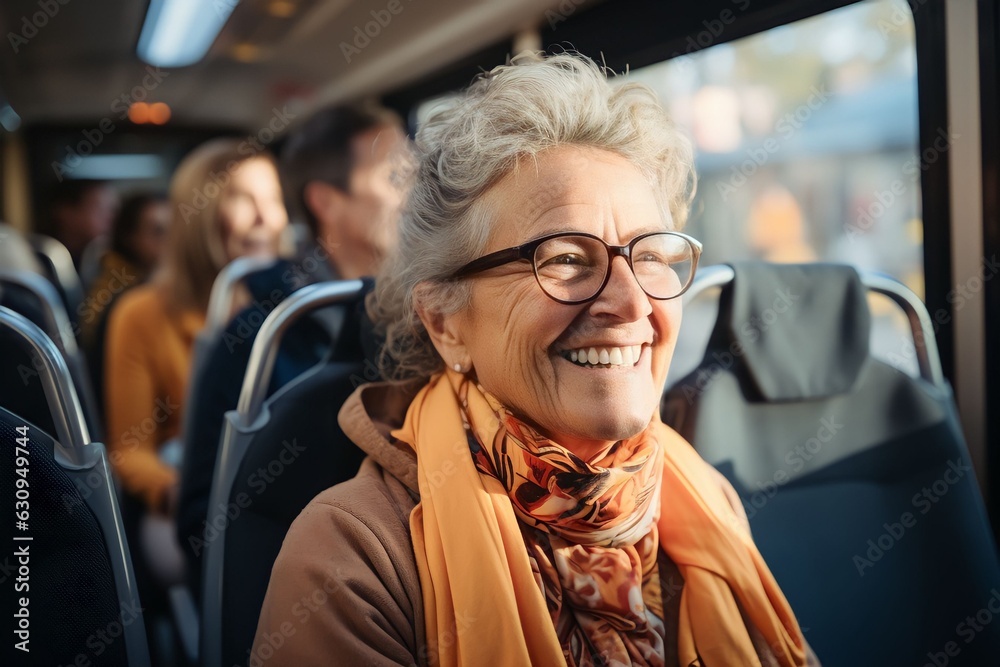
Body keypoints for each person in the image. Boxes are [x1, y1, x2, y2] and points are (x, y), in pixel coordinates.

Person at [253, 54, 819, 666]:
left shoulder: (703, 496)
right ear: (445, 323)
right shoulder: (355, 558)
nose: (633, 302)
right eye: (566, 259)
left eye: (651, 256)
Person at [176, 103, 407, 595]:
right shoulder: (262, 334)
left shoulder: (432, 316)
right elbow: (206, 514)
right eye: (393, 176)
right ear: (326, 201)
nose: (413, 193)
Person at [104, 139, 287, 521]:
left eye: (273, 199)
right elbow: (131, 451)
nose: (265, 218)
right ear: (200, 214)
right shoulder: (140, 314)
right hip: (186, 495)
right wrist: (189, 496)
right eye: (243, 199)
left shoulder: (297, 308)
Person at [81, 193, 170, 406]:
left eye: (176, 231)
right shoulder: (122, 300)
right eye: (158, 232)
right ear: (130, 238)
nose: (170, 242)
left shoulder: (156, 285)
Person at [46, 179, 119, 268]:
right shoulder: (44, 258)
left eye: (112, 210)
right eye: (100, 210)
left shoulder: (110, 260)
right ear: (66, 212)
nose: (111, 218)